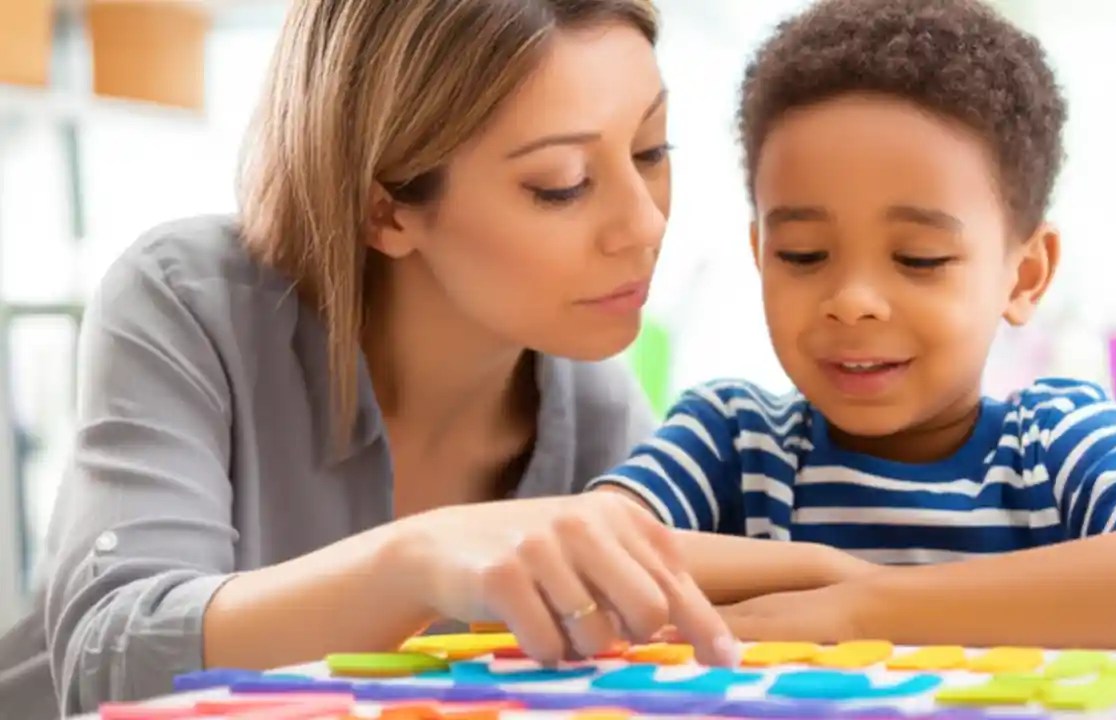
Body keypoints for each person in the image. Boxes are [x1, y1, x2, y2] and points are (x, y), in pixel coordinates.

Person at [0, 1, 760, 715]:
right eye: (561, 186)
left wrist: (870, 585)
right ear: (384, 209)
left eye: (651, 150)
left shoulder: (595, 405)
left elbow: (702, 604)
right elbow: (107, 659)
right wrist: (420, 561)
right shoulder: (190, 301)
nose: (645, 221)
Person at [591, 0, 1116, 651]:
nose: (852, 300)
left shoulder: (1057, 444)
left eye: (919, 259)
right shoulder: (732, 442)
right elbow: (583, 557)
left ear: (1027, 274)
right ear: (760, 255)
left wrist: (862, 604)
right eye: (803, 255)